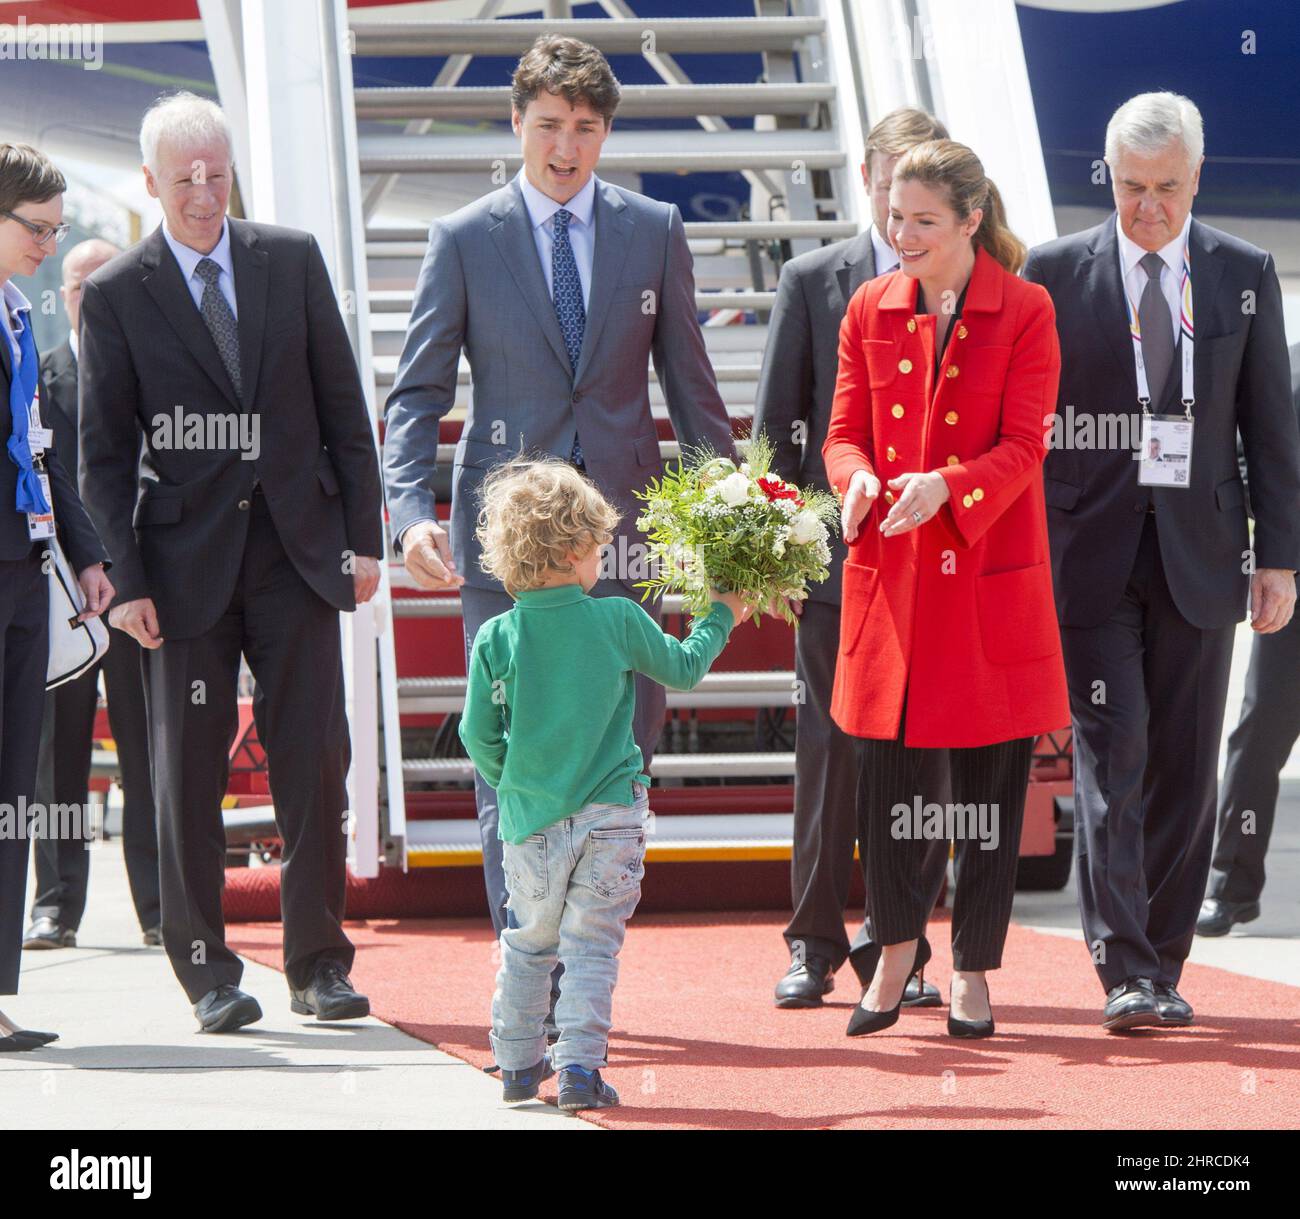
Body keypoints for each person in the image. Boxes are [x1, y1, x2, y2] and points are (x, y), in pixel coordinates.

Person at [383, 34, 736, 942]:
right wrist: (411, 511)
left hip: (626, 536)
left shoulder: (652, 231)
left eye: (584, 127)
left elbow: (692, 388)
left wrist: (732, 513)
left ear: (606, 133)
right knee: (511, 755)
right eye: (547, 125)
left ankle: (585, 953)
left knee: (622, 749)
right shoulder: (463, 239)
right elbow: (418, 393)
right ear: (517, 123)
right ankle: (527, 952)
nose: (565, 147)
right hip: (508, 545)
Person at [77, 93, 385, 1033]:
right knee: (186, 778)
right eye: (185, 180)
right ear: (150, 185)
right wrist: (124, 582)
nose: (206, 194)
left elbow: (343, 403)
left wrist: (364, 535)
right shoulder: (121, 292)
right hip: (180, 575)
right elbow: (102, 453)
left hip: (298, 555)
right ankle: (208, 972)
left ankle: (318, 963)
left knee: (313, 763)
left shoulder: (288, 260)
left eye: (217, 174)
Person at [1025, 92, 1299, 1031]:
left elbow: (1271, 431)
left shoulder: (1243, 272)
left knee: (1186, 766)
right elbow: (1028, 425)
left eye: (1168, 189)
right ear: (1107, 177)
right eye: (1133, 188)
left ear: (1197, 177)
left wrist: (1279, 560)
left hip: (1203, 555)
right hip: (1090, 555)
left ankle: (1166, 959)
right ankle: (1124, 967)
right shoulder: (1056, 274)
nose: (1149, 208)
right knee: (1115, 754)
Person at [824, 138, 1068, 1040]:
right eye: (895, 216)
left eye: (924, 220)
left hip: (982, 571)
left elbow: (1024, 445)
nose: (903, 233)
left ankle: (972, 968)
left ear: (971, 219)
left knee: (989, 786)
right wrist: (852, 478)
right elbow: (843, 431)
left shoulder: (1028, 308)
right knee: (887, 777)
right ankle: (894, 952)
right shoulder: (866, 306)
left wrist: (947, 487)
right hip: (892, 572)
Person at [458, 457, 750, 1109]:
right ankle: (581, 1073)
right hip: (612, 815)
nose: (603, 562)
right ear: (571, 551)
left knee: (529, 941)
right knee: (591, 947)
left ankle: (515, 1065)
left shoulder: (496, 636)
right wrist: (722, 613)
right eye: (598, 549)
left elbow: (477, 735)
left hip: (530, 822)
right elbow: (682, 667)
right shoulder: (615, 619)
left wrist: (520, 782)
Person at [754, 107, 950, 1010]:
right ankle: (814, 942)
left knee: (919, 765)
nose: (901, 203)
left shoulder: (964, 280)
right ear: (867, 175)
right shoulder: (811, 278)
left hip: (937, 568)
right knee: (828, 758)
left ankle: (901, 945)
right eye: (890, 180)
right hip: (837, 566)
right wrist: (780, 553)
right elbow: (774, 436)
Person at [0, 143, 113, 1050]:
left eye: (55, 227)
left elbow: (41, 452)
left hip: (25, 575)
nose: (48, 243)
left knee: (13, 791)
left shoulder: (16, 317)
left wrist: (87, 554)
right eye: (37, 227)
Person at [23, 238, 162, 953]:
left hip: (133, 590)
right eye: (81, 284)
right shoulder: (40, 375)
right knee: (57, 757)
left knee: (147, 752)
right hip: (62, 592)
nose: (92, 295)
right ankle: (56, 905)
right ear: (66, 294)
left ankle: (159, 907)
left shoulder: (151, 371)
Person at [1197, 342, 1300, 936]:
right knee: (1260, 731)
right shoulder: (1290, 366)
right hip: (1296, 583)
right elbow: (1249, 456)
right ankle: (1231, 887)